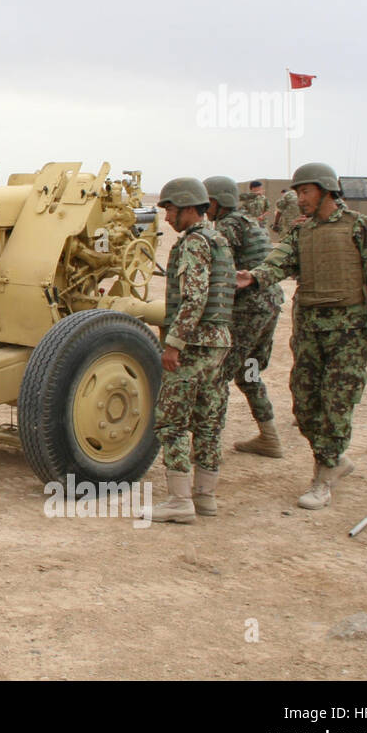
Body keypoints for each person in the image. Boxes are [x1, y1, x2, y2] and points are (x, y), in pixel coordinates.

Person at [237, 162, 367, 510]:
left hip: (348, 329)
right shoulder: (300, 232)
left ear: (325, 190)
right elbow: (280, 261)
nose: (300, 199)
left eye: (305, 192)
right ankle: (335, 461)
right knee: (304, 402)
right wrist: (254, 277)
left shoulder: (360, 226)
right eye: (297, 192)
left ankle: (323, 477)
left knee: (337, 401)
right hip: (308, 326)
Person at [149, 178, 234, 523]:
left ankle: (179, 501)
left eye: (170, 208)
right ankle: (205, 497)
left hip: (194, 345)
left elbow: (194, 298)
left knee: (172, 422)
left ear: (187, 207)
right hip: (217, 343)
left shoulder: (194, 244)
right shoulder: (219, 241)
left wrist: (174, 343)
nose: (167, 217)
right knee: (209, 420)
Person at [204, 176, 285, 458]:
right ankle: (269, 437)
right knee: (249, 372)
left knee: (218, 375)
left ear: (217, 202)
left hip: (248, 309)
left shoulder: (228, 226)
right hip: (270, 305)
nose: (205, 209)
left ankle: (208, 449)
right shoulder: (251, 222)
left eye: (208, 203)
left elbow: (216, 269)